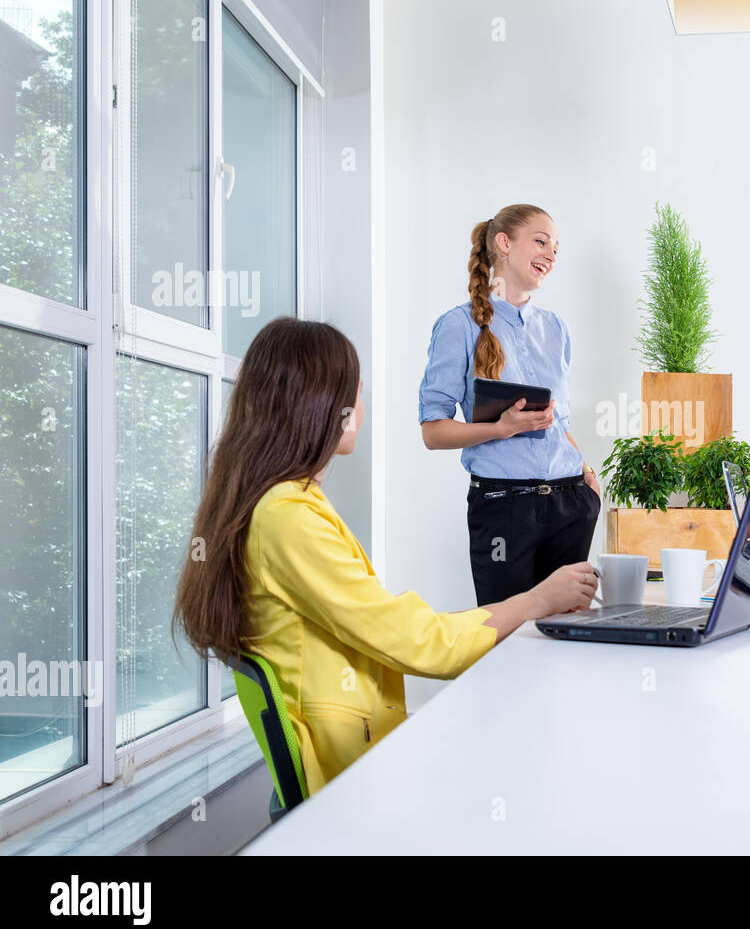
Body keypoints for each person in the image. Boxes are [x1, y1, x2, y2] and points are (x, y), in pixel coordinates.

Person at [174, 318, 597, 795]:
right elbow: (420, 643)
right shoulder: (287, 518)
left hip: (364, 749)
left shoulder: (287, 504)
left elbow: (392, 628)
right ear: (321, 404)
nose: (362, 404)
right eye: (356, 391)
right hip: (355, 779)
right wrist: (537, 600)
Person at [419, 203, 601, 606]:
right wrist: (502, 428)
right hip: (504, 508)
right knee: (507, 630)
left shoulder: (556, 329)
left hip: (571, 502)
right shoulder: (458, 325)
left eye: (556, 248)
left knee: (566, 628)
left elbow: (559, 422)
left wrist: (586, 473)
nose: (551, 255)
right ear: (504, 243)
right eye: (541, 242)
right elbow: (433, 432)